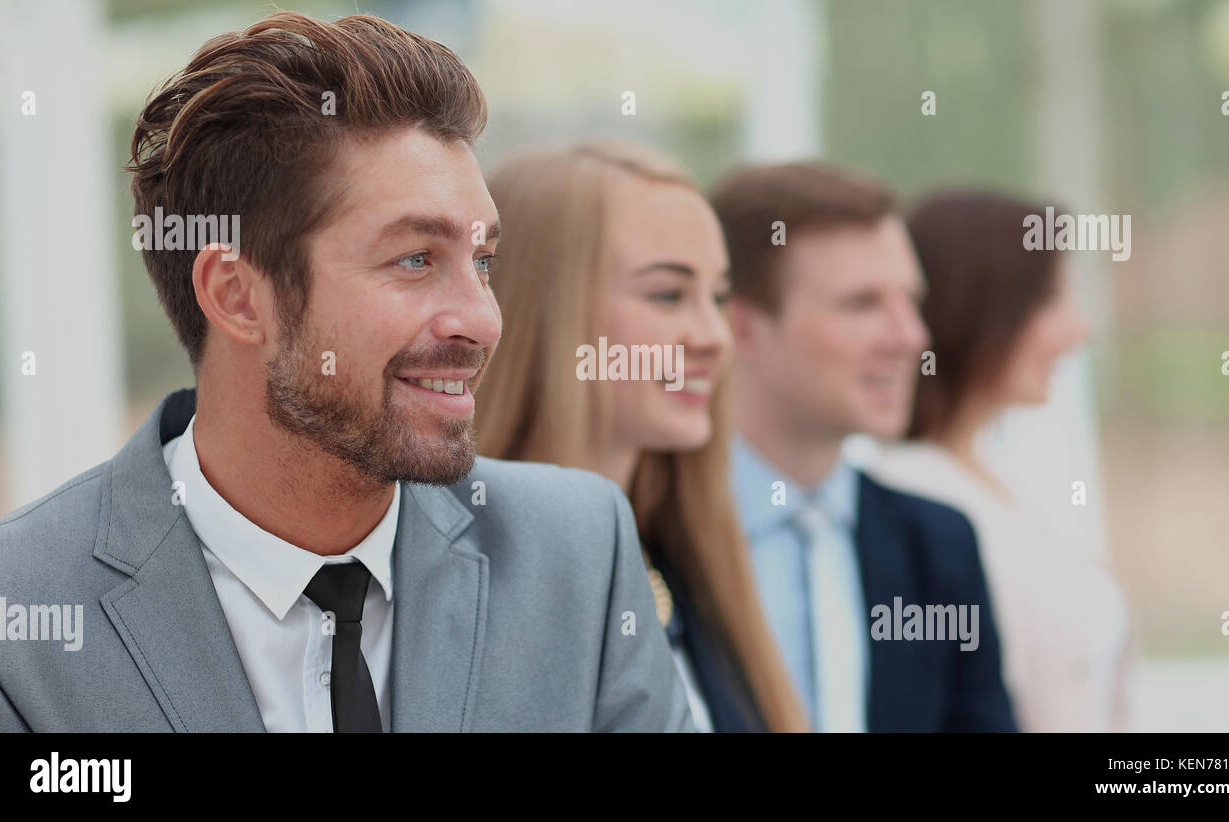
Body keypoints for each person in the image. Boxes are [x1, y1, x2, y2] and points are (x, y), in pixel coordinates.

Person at [0, 12, 692, 733]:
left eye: (483, 262)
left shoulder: (578, 553)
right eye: (416, 259)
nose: (482, 321)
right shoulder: (10, 625)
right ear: (237, 296)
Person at [474, 142, 810, 732]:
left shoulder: (695, 571)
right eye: (667, 294)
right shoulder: (447, 588)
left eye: (719, 297)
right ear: (547, 311)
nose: (713, 337)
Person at [710, 162, 1017, 732]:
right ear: (743, 328)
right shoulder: (645, 536)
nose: (911, 336)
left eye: (910, 300)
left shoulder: (938, 548)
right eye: (862, 303)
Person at [865, 190, 1131, 731]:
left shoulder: (1008, 480)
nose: (1079, 331)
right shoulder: (913, 506)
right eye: (1051, 301)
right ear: (984, 308)